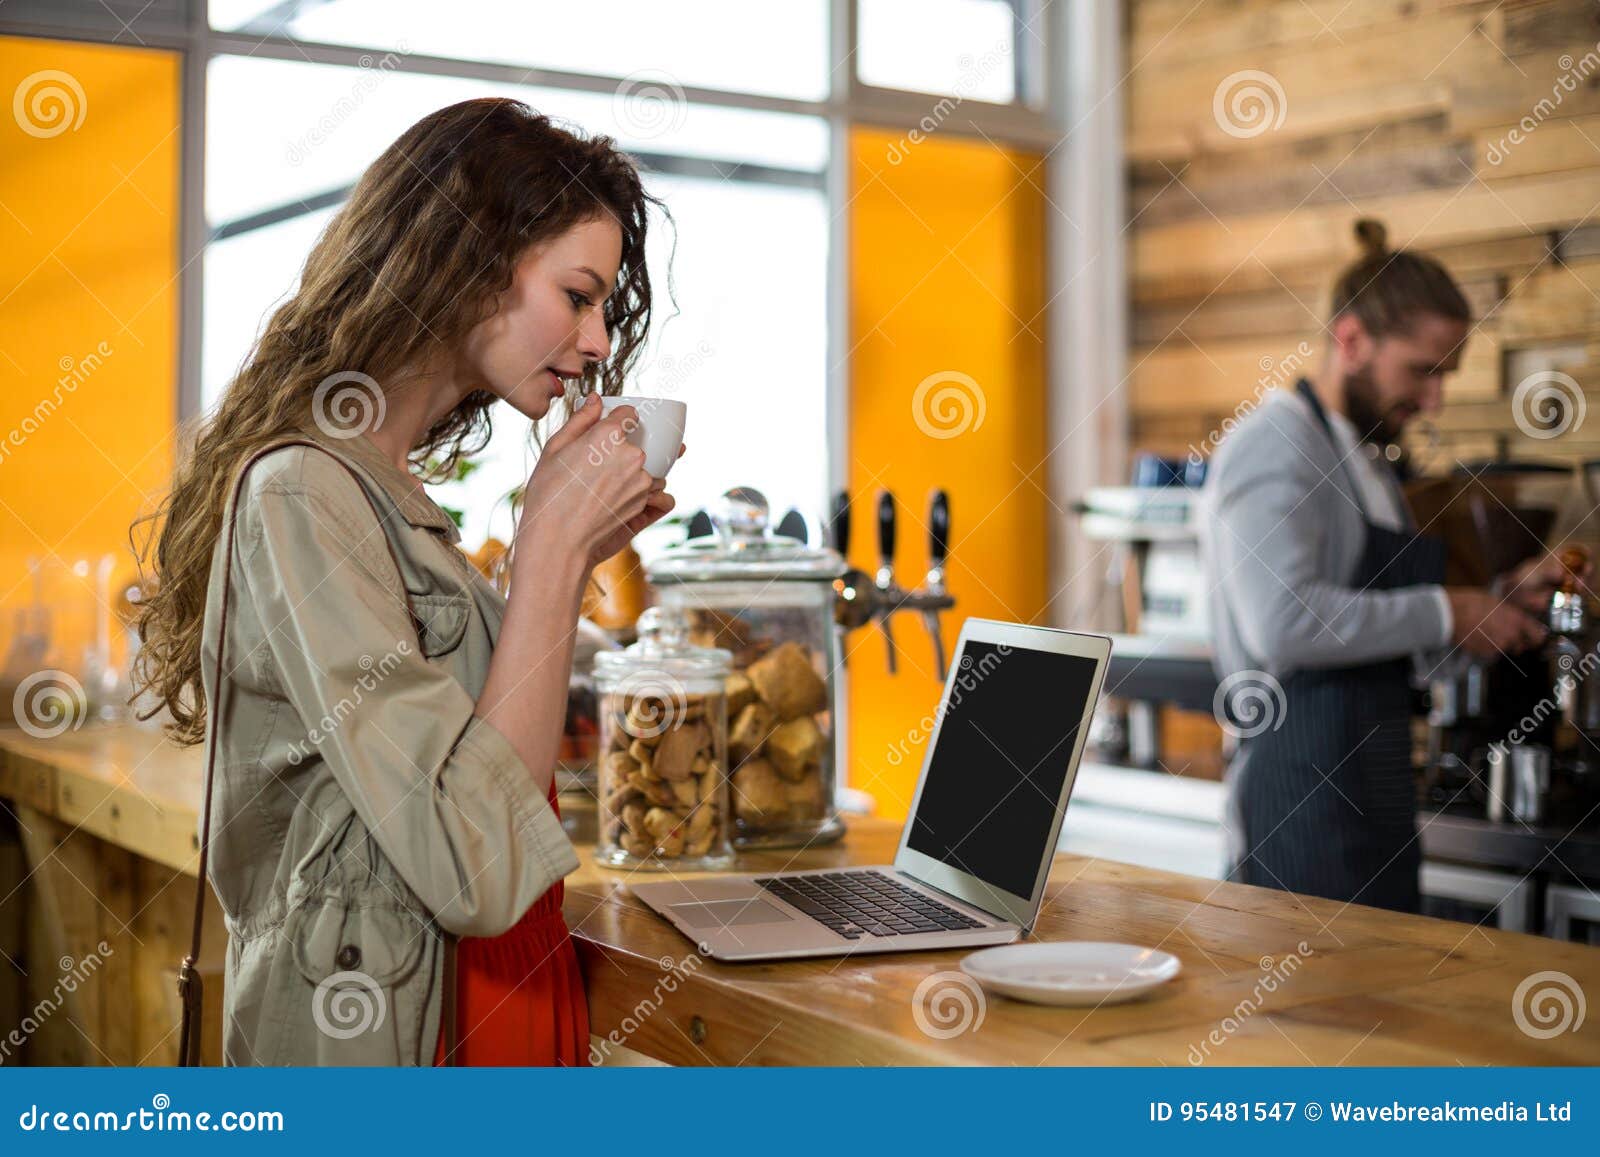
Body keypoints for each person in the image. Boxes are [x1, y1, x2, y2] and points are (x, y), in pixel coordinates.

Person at [131, 99, 679, 1064]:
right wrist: (548, 551)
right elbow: (477, 861)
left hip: (487, 1003)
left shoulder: (385, 489)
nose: (598, 342)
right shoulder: (301, 489)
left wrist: (567, 555)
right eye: (579, 294)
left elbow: (476, 756)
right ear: (467, 262)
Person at [1200, 218, 1574, 914]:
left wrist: (1499, 604)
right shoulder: (1276, 445)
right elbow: (1285, 623)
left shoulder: (1368, 463)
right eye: (1422, 371)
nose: (1433, 400)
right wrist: (1452, 609)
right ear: (1351, 340)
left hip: (1377, 801)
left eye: (1446, 376)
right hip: (1298, 800)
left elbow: (1399, 647)